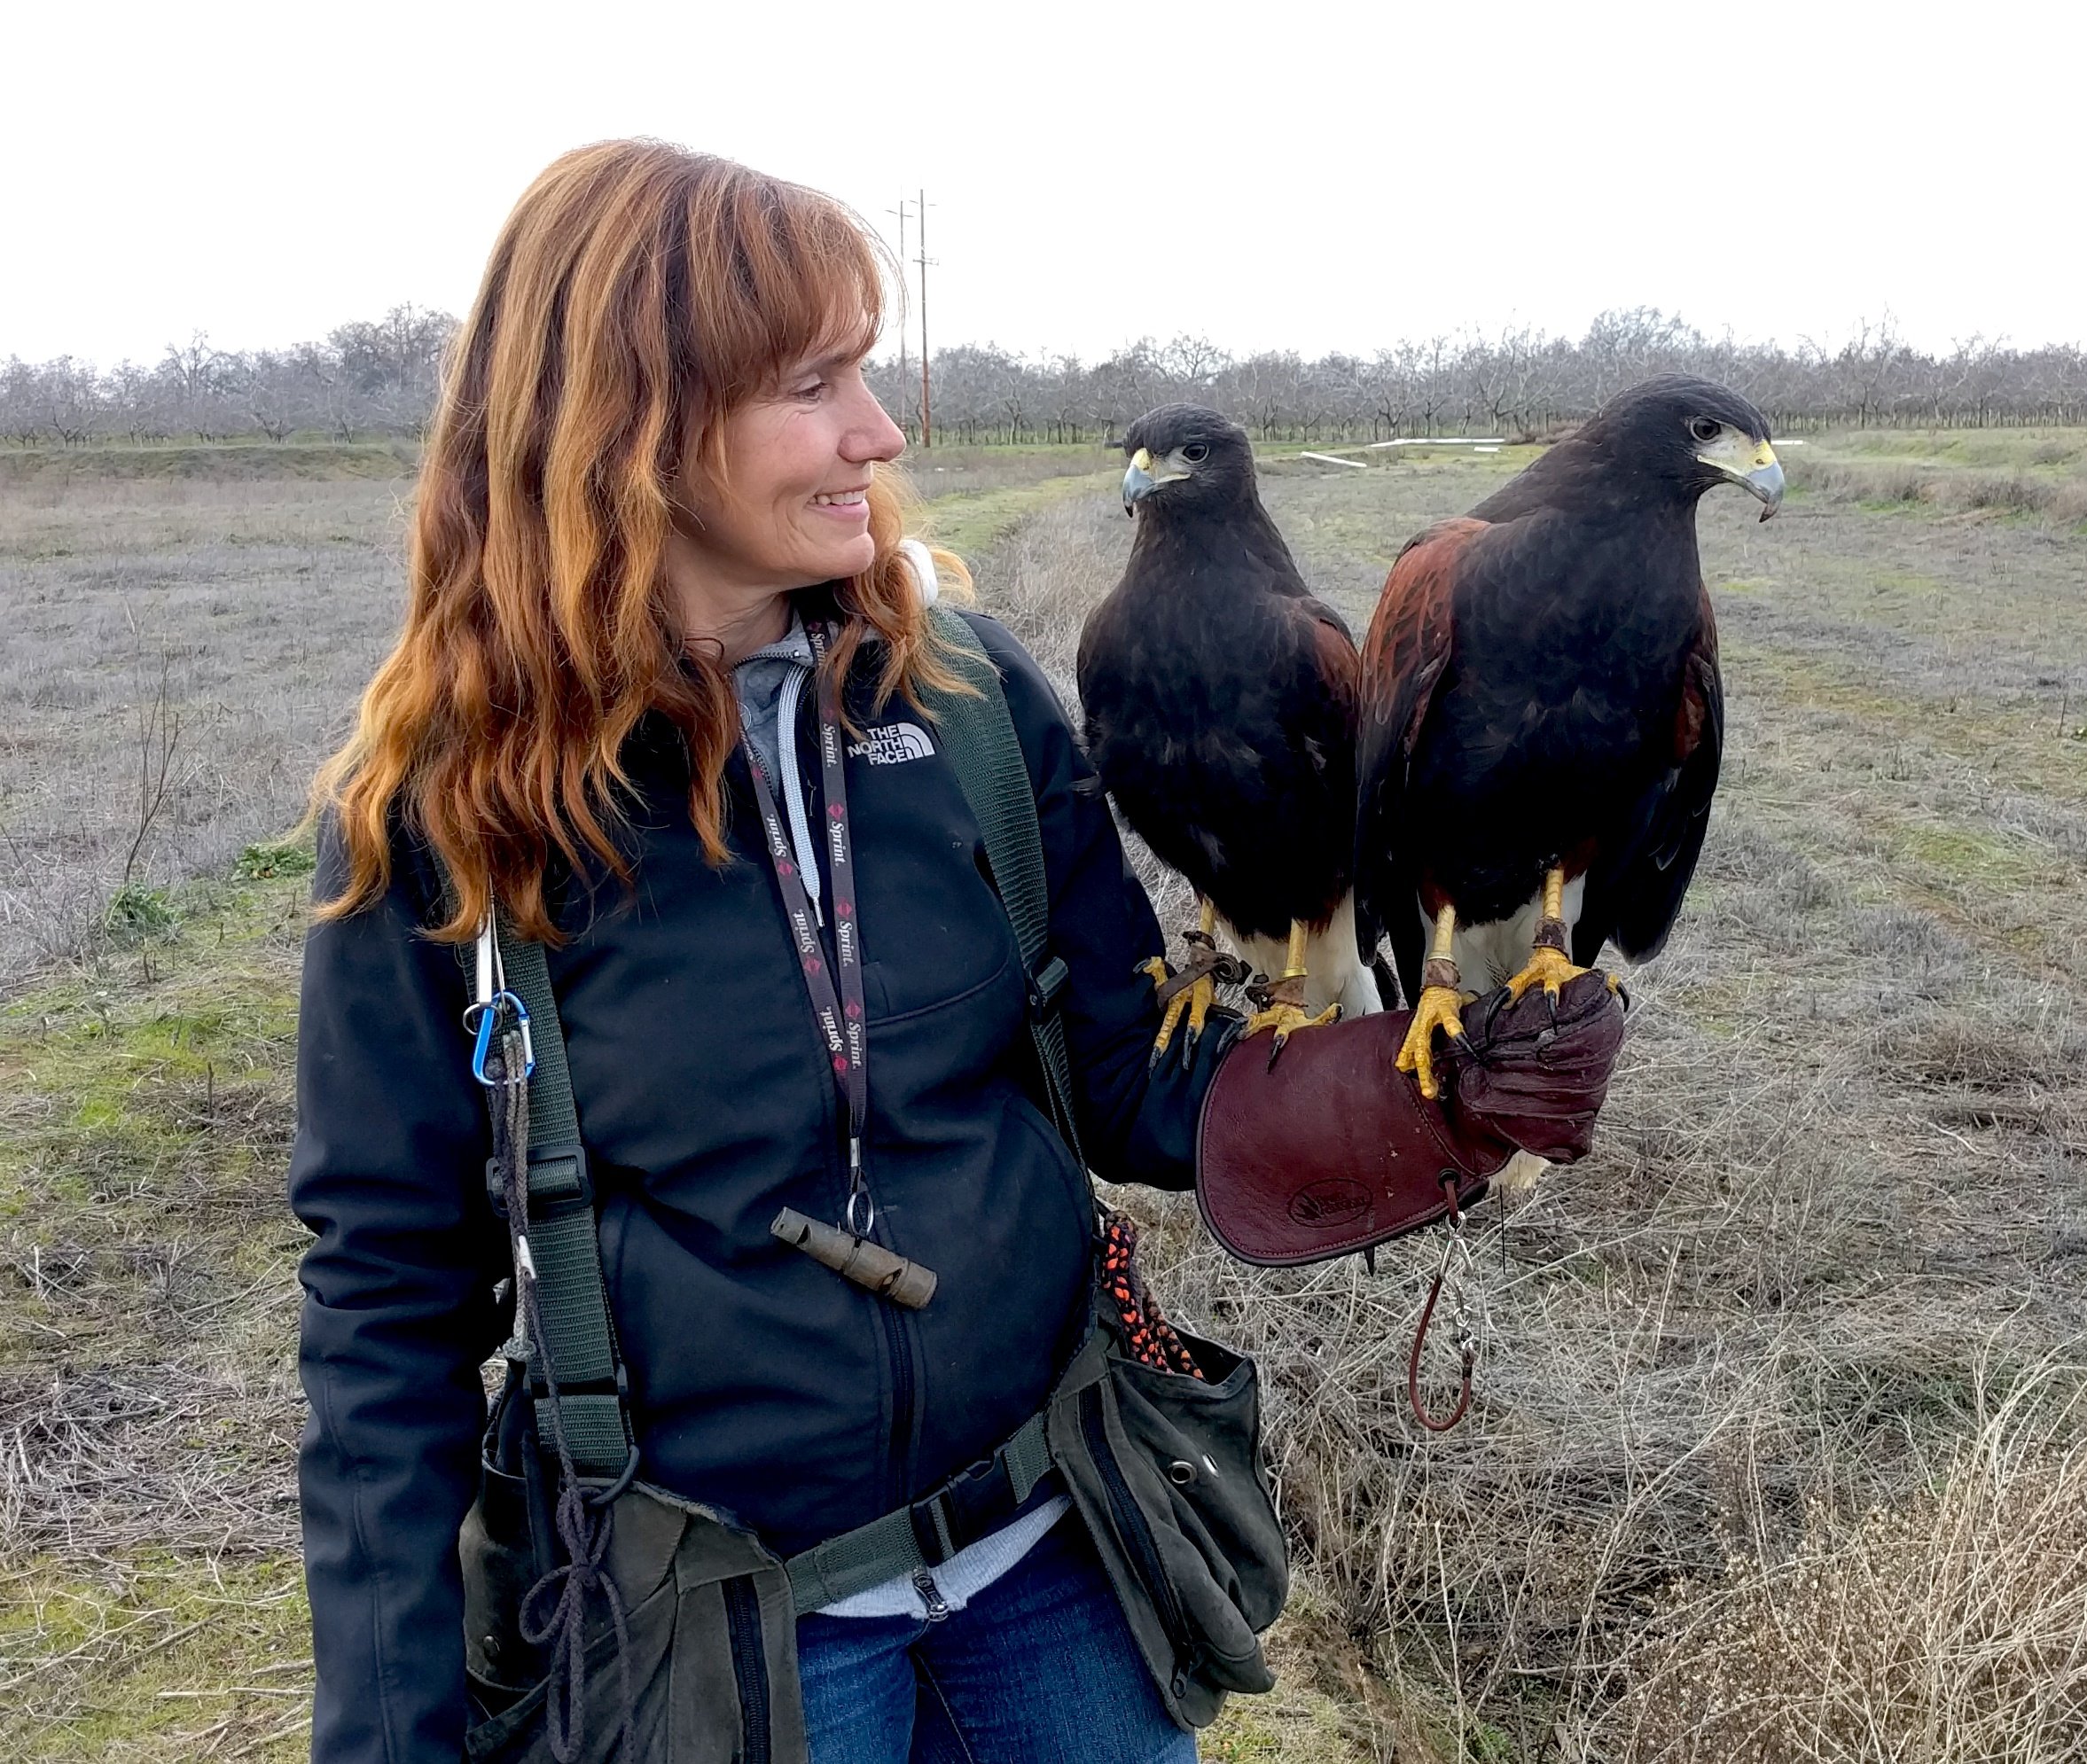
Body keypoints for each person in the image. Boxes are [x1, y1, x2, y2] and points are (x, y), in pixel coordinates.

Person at [290, 138, 1617, 1764]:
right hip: (721, 1628)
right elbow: (384, 1303)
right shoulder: (446, 814)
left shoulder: (967, 701)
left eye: (865, 371)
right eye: (814, 383)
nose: (883, 430)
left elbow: (1129, 1069)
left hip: (1058, 1559)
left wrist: (1443, 1092)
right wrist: (387, 1728)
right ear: (628, 426)